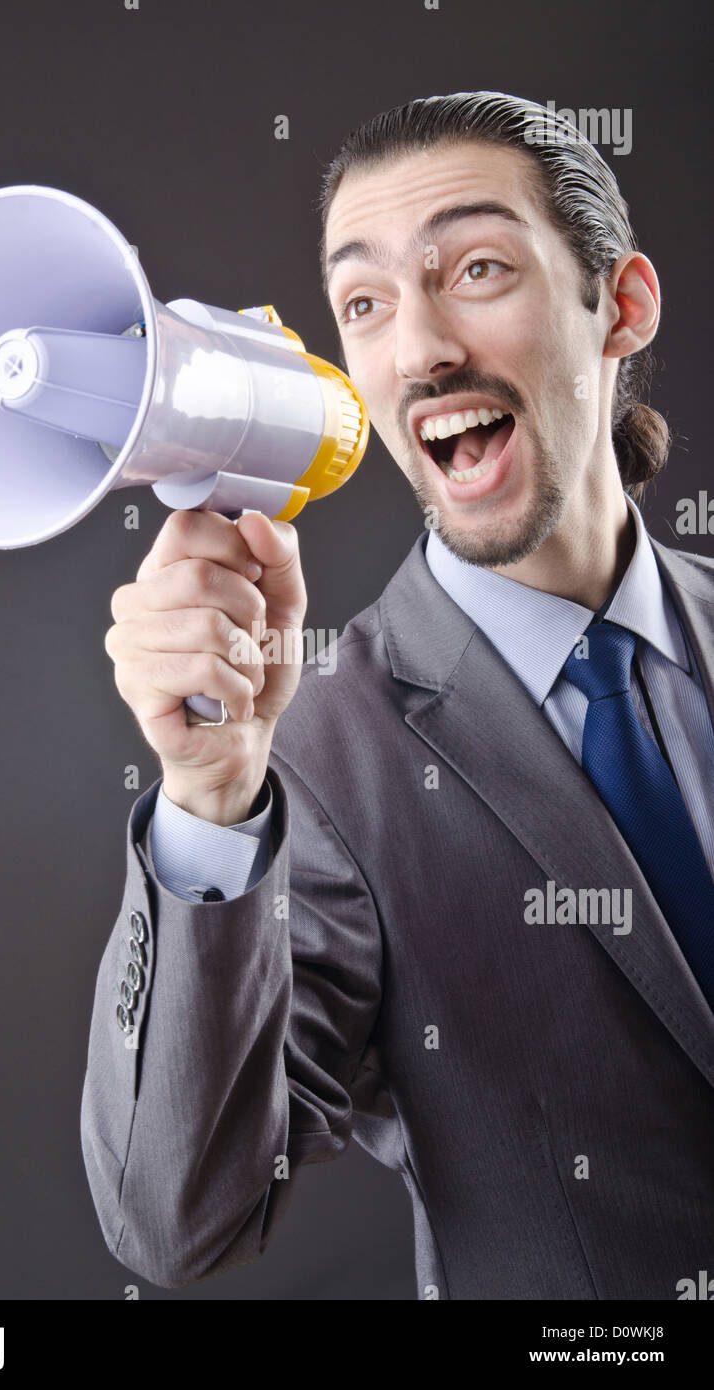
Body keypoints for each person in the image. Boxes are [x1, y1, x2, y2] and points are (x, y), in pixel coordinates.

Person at [80, 92, 714, 1300]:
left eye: (476, 267)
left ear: (618, 305)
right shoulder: (319, 758)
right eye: (364, 303)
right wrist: (211, 799)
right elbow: (176, 1218)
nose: (419, 349)